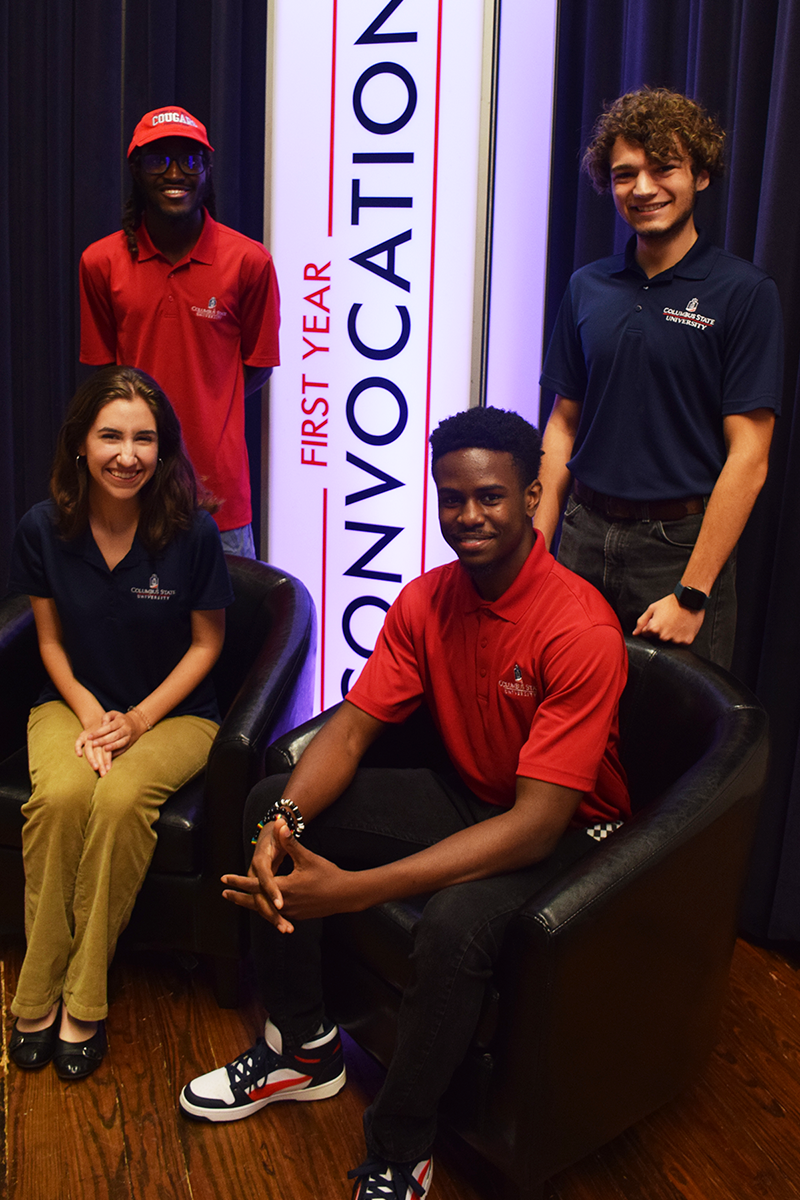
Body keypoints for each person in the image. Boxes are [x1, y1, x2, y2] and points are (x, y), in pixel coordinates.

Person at [179, 407, 630, 1200]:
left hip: (570, 832)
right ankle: (302, 1050)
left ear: (531, 496)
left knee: (454, 927)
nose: (468, 517)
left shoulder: (578, 626)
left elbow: (535, 825)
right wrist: (283, 825)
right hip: (475, 795)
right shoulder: (426, 600)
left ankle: (399, 1148)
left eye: (489, 497)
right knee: (269, 797)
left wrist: (350, 890)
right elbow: (350, 733)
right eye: (451, 498)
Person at [8, 365, 234, 1080]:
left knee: (116, 804)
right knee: (62, 798)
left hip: (174, 715)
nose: (127, 454)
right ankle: (35, 990)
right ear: (80, 442)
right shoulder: (42, 528)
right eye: (110, 435)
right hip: (71, 702)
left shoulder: (191, 531)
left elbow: (208, 645)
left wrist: (134, 722)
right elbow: (46, 643)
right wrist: (89, 714)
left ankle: (83, 999)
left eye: (145, 438)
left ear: (163, 448)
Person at [536, 87, 783, 669]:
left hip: (676, 553)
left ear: (698, 174)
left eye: (663, 167)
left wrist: (692, 593)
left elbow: (750, 456)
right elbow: (562, 426)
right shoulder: (586, 287)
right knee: (568, 721)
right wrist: (537, 549)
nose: (643, 188)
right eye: (625, 174)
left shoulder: (745, 293)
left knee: (671, 746)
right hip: (580, 537)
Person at [79, 106, 280, 558]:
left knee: (231, 627)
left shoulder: (249, 262)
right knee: (132, 626)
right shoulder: (99, 262)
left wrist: (208, 404)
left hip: (219, 493)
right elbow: (103, 375)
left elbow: (258, 366)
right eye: (158, 160)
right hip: (130, 483)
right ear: (136, 170)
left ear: (206, 170)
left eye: (190, 160)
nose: (175, 173)